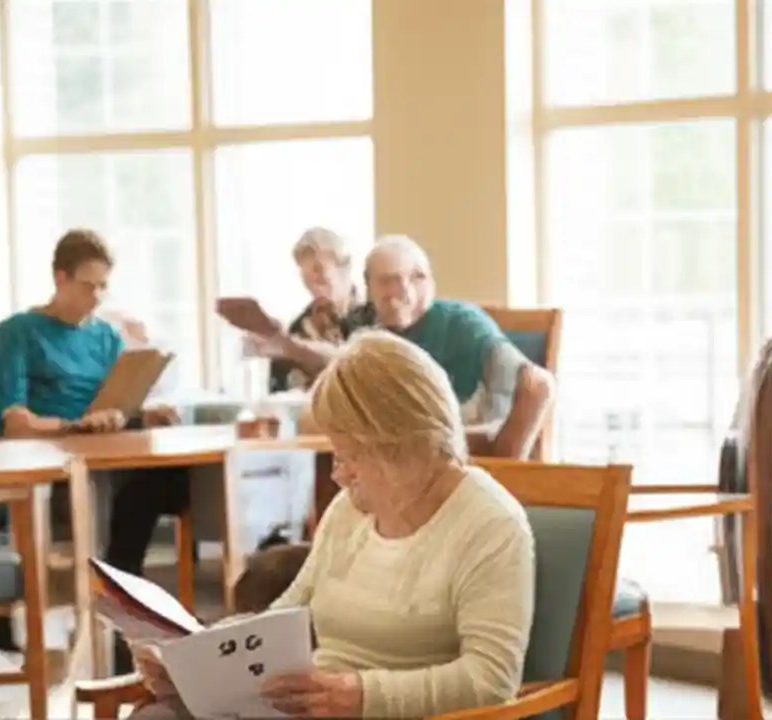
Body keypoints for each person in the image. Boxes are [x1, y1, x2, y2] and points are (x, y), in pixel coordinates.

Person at [129, 330, 535, 719]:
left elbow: (492, 679)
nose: (338, 475)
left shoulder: (491, 525)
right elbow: (285, 613)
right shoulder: (350, 510)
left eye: (349, 456)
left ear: (400, 445)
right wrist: (193, 658)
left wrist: (362, 696)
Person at [0, 229, 186, 666]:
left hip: (109, 453)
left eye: (104, 285)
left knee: (172, 475)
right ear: (60, 278)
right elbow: (14, 422)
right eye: (88, 285)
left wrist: (139, 413)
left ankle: (124, 585)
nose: (97, 296)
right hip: (50, 460)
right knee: (108, 486)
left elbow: (115, 402)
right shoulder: (19, 333)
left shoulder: (105, 337)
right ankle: (115, 605)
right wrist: (76, 425)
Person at [261, 235, 553, 459]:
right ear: (369, 287)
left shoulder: (462, 324)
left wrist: (507, 466)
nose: (403, 290)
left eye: (417, 277)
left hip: (462, 466)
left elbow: (538, 386)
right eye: (388, 280)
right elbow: (315, 415)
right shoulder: (370, 338)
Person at [263, 227, 372, 393]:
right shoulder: (300, 327)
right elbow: (280, 389)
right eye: (304, 272)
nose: (312, 278)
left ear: (345, 267)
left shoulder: (374, 318)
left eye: (318, 268)